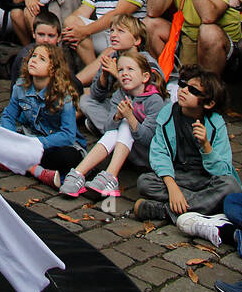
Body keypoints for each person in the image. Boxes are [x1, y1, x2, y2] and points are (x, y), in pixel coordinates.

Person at [134, 67, 241, 222]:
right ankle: (204, 204)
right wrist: (173, 188)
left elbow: (223, 170)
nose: (183, 90)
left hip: (206, 179)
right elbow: (159, 153)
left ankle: (165, 211)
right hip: (180, 177)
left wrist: (206, 146)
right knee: (145, 182)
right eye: (183, 85)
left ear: (209, 103)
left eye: (193, 90)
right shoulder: (168, 113)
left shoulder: (216, 124)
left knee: (231, 187)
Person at [57, 53, 166, 199]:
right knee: (119, 126)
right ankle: (78, 173)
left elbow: (148, 139)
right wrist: (117, 116)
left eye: (130, 69)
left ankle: (110, 176)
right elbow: (107, 129)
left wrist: (130, 117)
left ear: (145, 77)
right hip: (129, 151)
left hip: (149, 156)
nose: (124, 73)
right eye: (120, 70)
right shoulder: (120, 94)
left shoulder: (155, 100)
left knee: (126, 124)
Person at [0, 43, 84, 183]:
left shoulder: (64, 97)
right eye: (33, 56)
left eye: (42, 59)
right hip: (28, 137)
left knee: (69, 158)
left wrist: (37, 143)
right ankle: (36, 171)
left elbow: (68, 135)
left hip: (51, 145)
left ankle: (15, 162)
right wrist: (11, 138)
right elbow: (8, 115)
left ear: (53, 69)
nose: (34, 60)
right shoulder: (20, 86)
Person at [78, 13, 163, 130]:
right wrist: (104, 76)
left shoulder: (145, 59)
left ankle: (109, 130)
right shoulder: (113, 57)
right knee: (86, 100)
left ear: (137, 40)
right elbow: (96, 96)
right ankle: (110, 129)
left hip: (142, 109)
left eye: (120, 31)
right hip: (119, 107)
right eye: (112, 31)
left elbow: (157, 87)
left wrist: (117, 74)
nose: (113, 35)